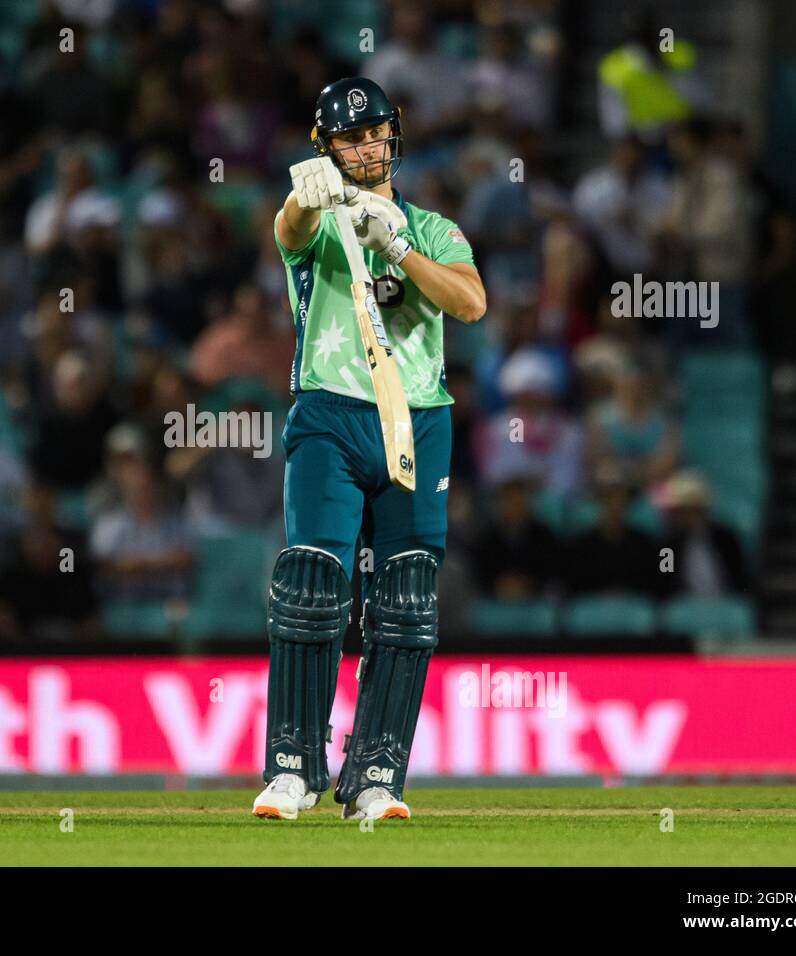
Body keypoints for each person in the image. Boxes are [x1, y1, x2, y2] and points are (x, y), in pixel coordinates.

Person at [255, 77, 485, 822]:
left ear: (395, 132)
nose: (365, 147)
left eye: (374, 132)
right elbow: (287, 232)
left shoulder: (436, 228)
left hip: (418, 420)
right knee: (313, 585)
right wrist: (306, 198)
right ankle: (292, 769)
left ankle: (377, 776)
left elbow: (471, 303)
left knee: (409, 600)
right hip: (330, 411)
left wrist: (399, 245)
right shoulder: (319, 220)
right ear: (328, 148)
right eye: (349, 139)